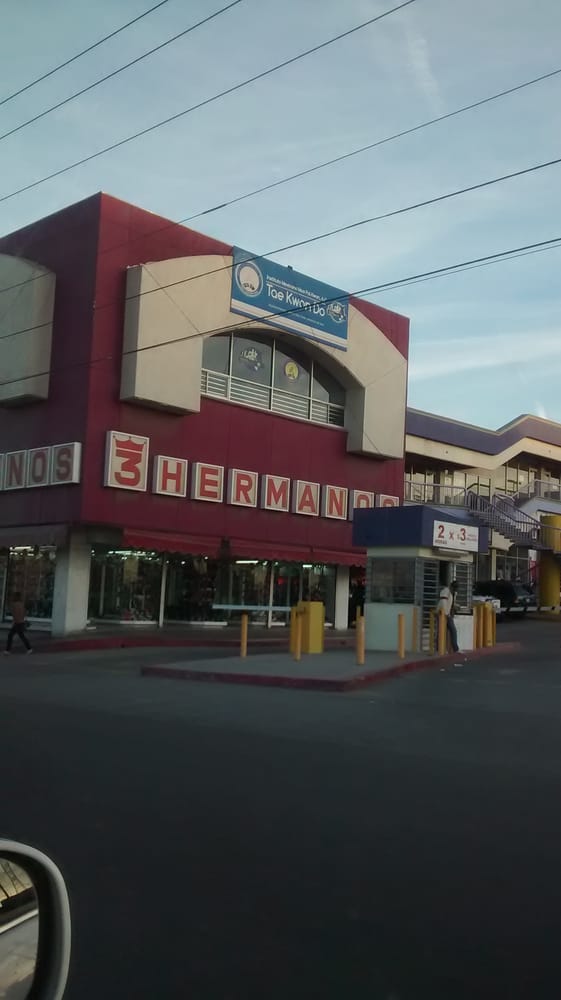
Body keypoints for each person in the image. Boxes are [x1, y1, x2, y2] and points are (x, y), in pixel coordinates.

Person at [436, 581, 459, 653]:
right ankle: (454, 648)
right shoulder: (446, 591)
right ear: (452, 586)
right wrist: (446, 613)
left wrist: (456, 606)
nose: (455, 590)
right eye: (454, 588)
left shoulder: (453, 593)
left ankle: (441, 648)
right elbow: (443, 602)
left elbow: (450, 603)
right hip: (443, 614)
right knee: (448, 630)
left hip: (447, 614)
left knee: (444, 631)